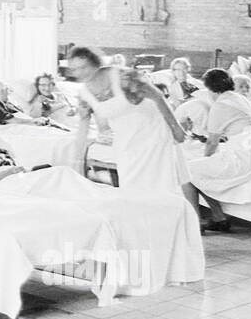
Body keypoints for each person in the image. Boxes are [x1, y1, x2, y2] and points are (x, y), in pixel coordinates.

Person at [68, 45, 201, 216]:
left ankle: (167, 225)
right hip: (126, 140)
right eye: (74, 69)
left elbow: (157, 97)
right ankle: (143, 228)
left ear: (95, 63)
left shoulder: (121, 76)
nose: (80, 73)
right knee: (132, 186)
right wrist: (76, 161)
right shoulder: (84, 92)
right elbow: (84, 123)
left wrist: (176, 128)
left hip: (153, 132)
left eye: (83, 67)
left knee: (160, 186)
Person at [186, 69, 251, 231]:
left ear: (209, 88)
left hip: (244, 158)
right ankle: (219, 217)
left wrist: (207, 159)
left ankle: (194, 223)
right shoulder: (239, 99)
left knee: (186, 172)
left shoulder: (220, 106)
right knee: (201, 173)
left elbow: (212, 143)